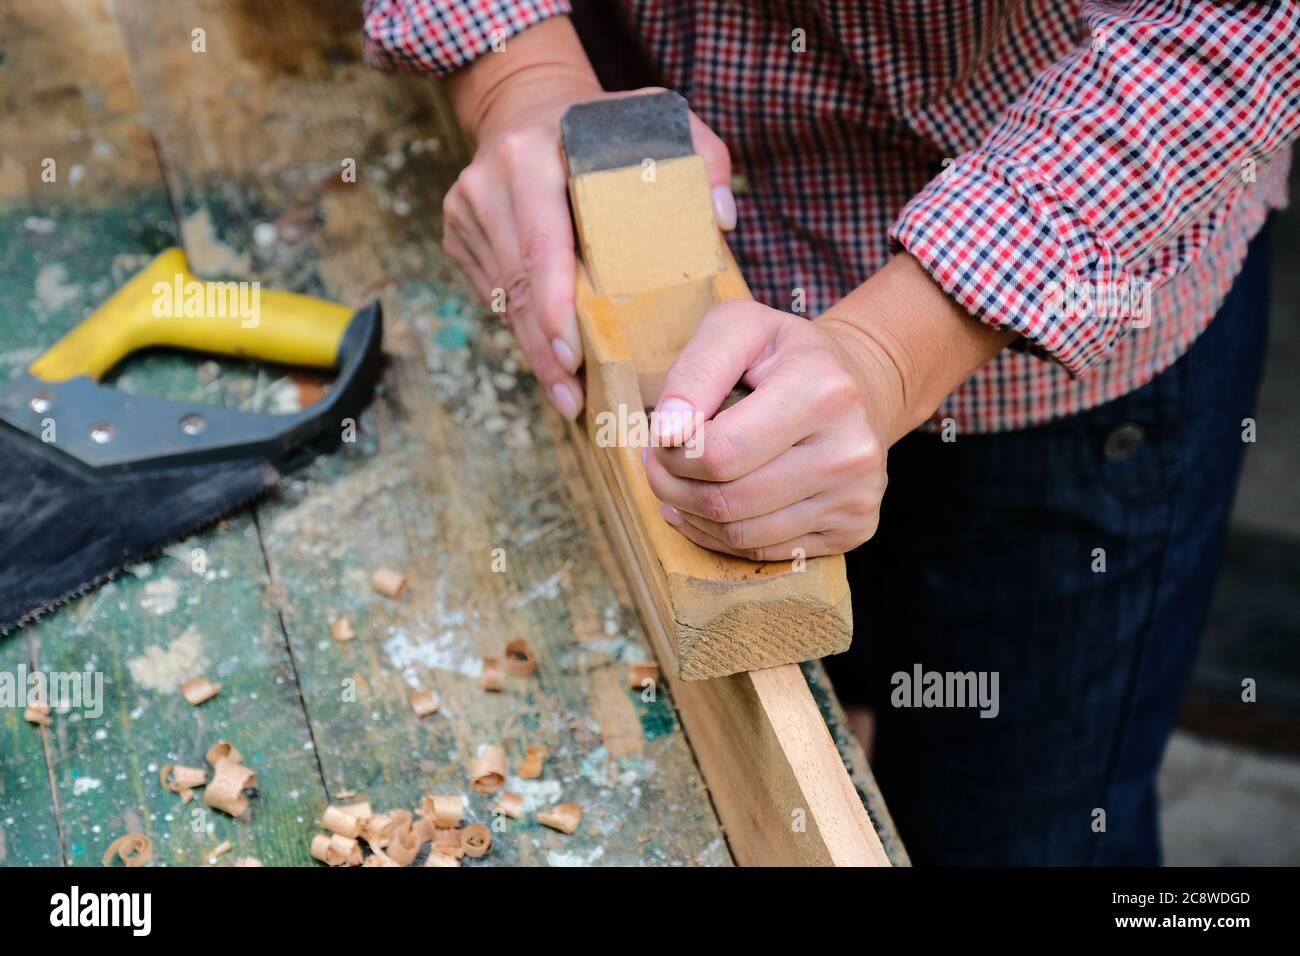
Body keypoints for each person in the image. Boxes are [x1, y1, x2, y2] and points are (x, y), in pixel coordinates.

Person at [363, 1, 1300, 864]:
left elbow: (1239, 27)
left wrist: (888, 354)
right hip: (623, 163)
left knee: (1031, 834)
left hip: (1054, 355)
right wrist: (520, 78)